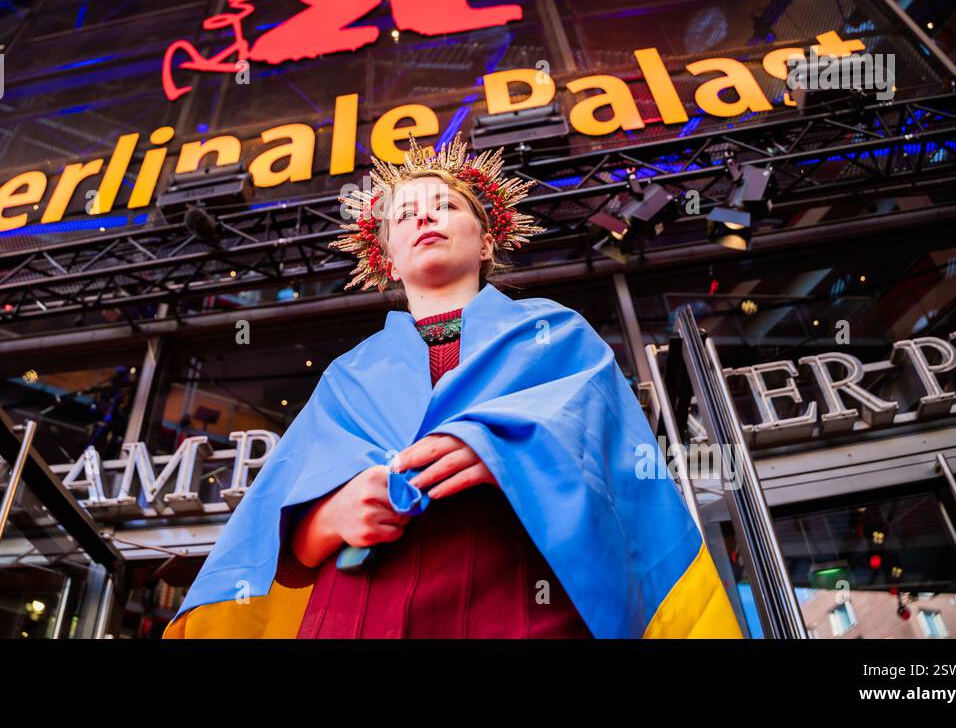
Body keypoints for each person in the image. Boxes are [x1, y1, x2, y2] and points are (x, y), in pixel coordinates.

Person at [163, 131, 742, 638]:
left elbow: (615, 468)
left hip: (520, 600)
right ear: (388, 260)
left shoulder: (557, 333)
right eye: (403, 215)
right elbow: (280, 538)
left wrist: (511, 447)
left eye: (444, 205)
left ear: (487, 242)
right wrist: (327, 518)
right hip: (358, 613)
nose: (423, 217)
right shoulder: (347, 374)